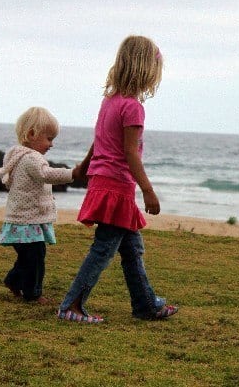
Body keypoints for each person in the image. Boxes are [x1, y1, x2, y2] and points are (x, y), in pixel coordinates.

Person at [57, 35, 178, 323]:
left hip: (103, 181)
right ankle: (70, 306)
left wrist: (84, 167)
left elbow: (98, 141)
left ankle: (146, 305)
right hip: (116, 186)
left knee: (132, 248)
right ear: (146, 70)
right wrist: (148, 190)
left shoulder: (110, 102)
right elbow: (130, 153)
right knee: (103, 249)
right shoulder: (133, 107)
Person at [0, 107, 80, 304]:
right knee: (35, 257)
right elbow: (46, 174)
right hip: (27, 220)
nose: (51, 144)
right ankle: (33, 293)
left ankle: (14, 280)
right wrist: (72, 174)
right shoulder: (32, 158)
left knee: (28, 256)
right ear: (32, 134)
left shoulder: (17, 156)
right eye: (49, 138)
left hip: (21, 219)